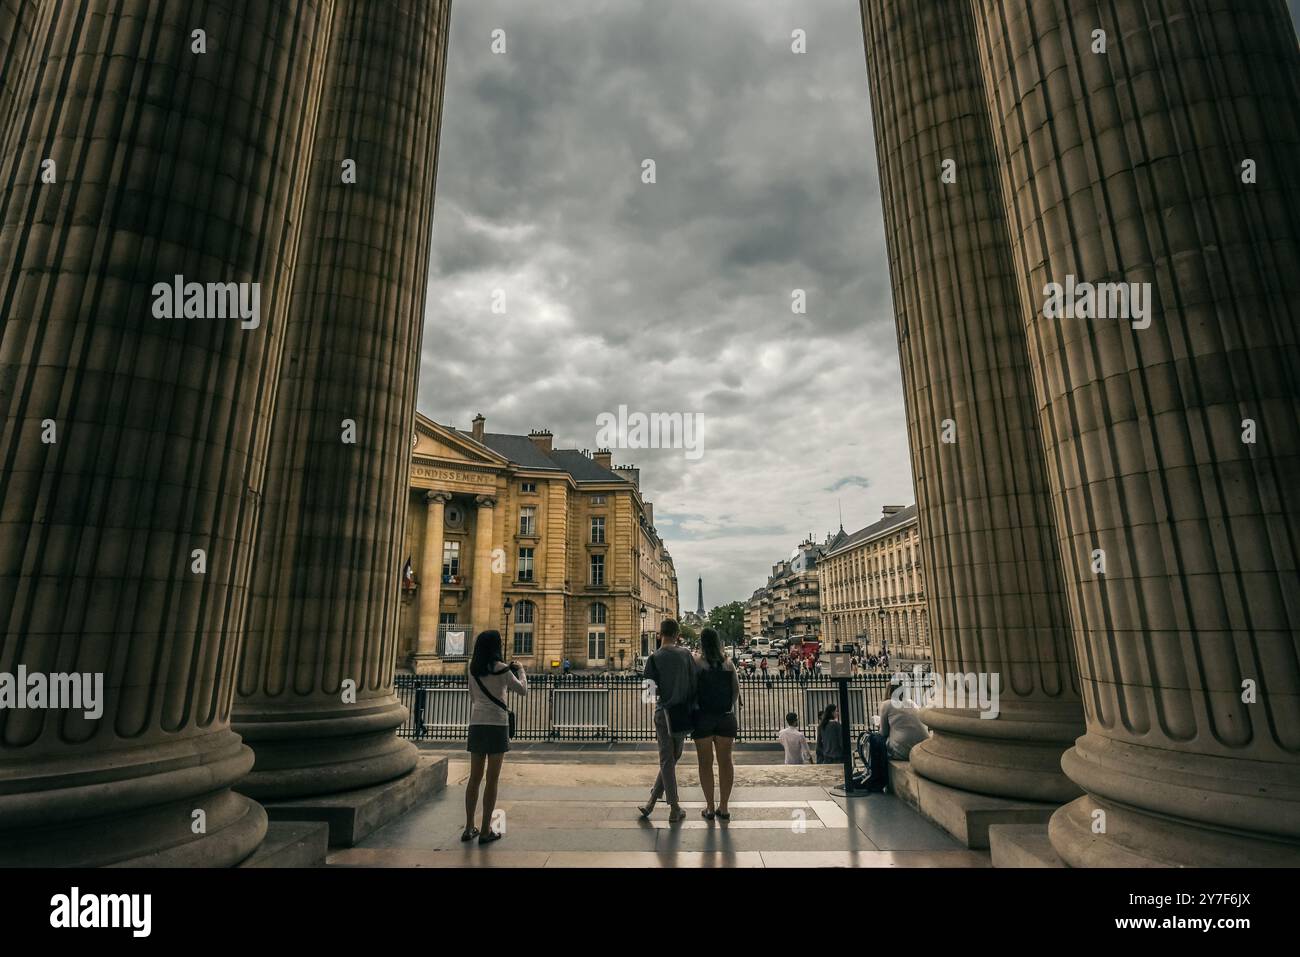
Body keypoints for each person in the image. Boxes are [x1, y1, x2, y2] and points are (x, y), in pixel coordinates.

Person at [463, 630, 527, 844]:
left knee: (474, 778)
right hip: (497, 724)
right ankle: (484, 831)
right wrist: (522, 671)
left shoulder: (472, 670)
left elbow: (473, 697)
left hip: (477, 723)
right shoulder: (502, 669)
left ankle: (468, 827)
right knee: (492, 780)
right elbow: (522, 690)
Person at [638, 618, 697, 822]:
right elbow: (694, 685)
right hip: (681, 713)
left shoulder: (654, 658)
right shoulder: (685, 655)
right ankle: (669, 805)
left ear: (660, 634)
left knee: (667, 760)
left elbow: (648, 694)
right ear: (677, 635)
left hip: (663, 713)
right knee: (672, 759)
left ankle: (658, 803)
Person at [692, 627, 740, 821]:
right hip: (725, 718)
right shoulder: (728, 663)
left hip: (703, 718)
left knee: (705, 763)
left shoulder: (696, 663)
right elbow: (735, 691)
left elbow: (691, 690)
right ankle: (725, 806)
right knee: (726, 762)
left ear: (702, 643)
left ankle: (710, 807)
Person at [877, 677, 930, 759]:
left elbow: (884, 733)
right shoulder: (911, 703)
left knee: (874, 740)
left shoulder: (886, 704)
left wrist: (879, 726)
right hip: (922, 748)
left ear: (888, 691)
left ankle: (874, 771)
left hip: (903, 751)